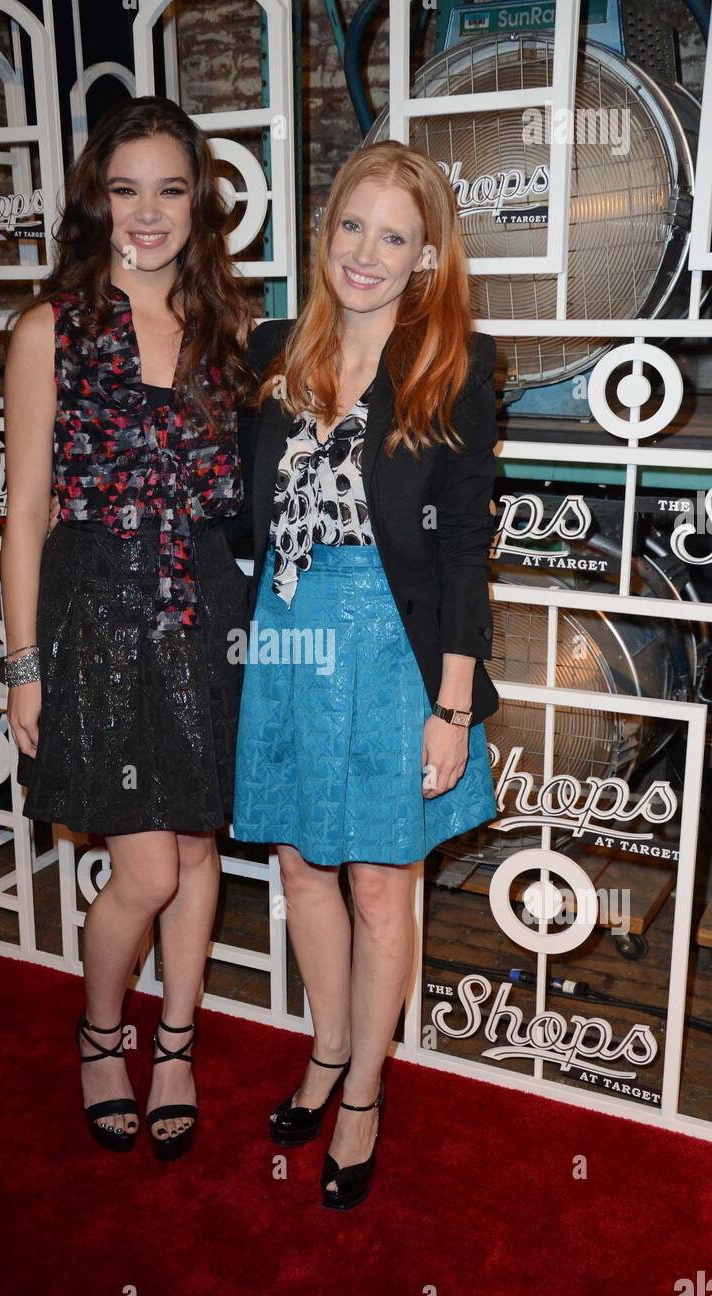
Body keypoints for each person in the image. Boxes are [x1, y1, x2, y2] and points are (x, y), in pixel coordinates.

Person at [232, 140, 500, 1209]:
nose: (367, 252)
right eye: (353, 225)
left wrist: (452, 704)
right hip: (288, 625)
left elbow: (462, 543)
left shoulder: (458, 362)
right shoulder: (270, 350)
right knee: (300, 862)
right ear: (326, 226)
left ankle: (366, 1094)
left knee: (383, 877)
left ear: (427, 253)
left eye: (395, 236)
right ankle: (329, 1046)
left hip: (394, 636)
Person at [1, 95, 253, 1160]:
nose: (147, 214)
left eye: (170, 189)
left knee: (197, 850)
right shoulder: (47, 327)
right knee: (144, 868)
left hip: (204, 600)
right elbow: (21, 508)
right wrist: (23, 667)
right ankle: (103, 1031)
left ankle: (179, 1043)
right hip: (96, 607)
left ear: (198, 202)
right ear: (94, 201)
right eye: (125, 190)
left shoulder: (225, 328)